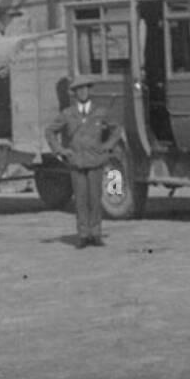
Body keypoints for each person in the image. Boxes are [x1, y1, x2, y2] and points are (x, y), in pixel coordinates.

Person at [46, 76, 117, 249]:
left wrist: (107, 147)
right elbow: (49, 131)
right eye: (79, 89)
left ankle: (96, 234)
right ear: (75, 93)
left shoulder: (100, 112)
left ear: (89, 91)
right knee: (81, 200)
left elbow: (116, 129)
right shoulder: (68, 114)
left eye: (86, 88)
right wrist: (60, 150)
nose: (83, 92)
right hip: (77, 162)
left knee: (95, 199)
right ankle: (83, 235)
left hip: (95, 161)